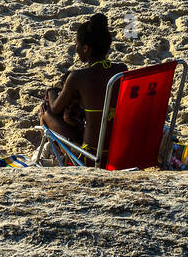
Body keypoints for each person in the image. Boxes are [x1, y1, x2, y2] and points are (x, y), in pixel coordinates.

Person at [36, 13, 128, 157]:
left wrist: (51, 91)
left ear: (86, 48)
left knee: (46, 110)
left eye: (77, 45)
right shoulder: (121, 70)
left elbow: (55, 108)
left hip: (90, 157)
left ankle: (52, 156)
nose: (76, 48)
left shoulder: (78, 77)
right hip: (117, 151)